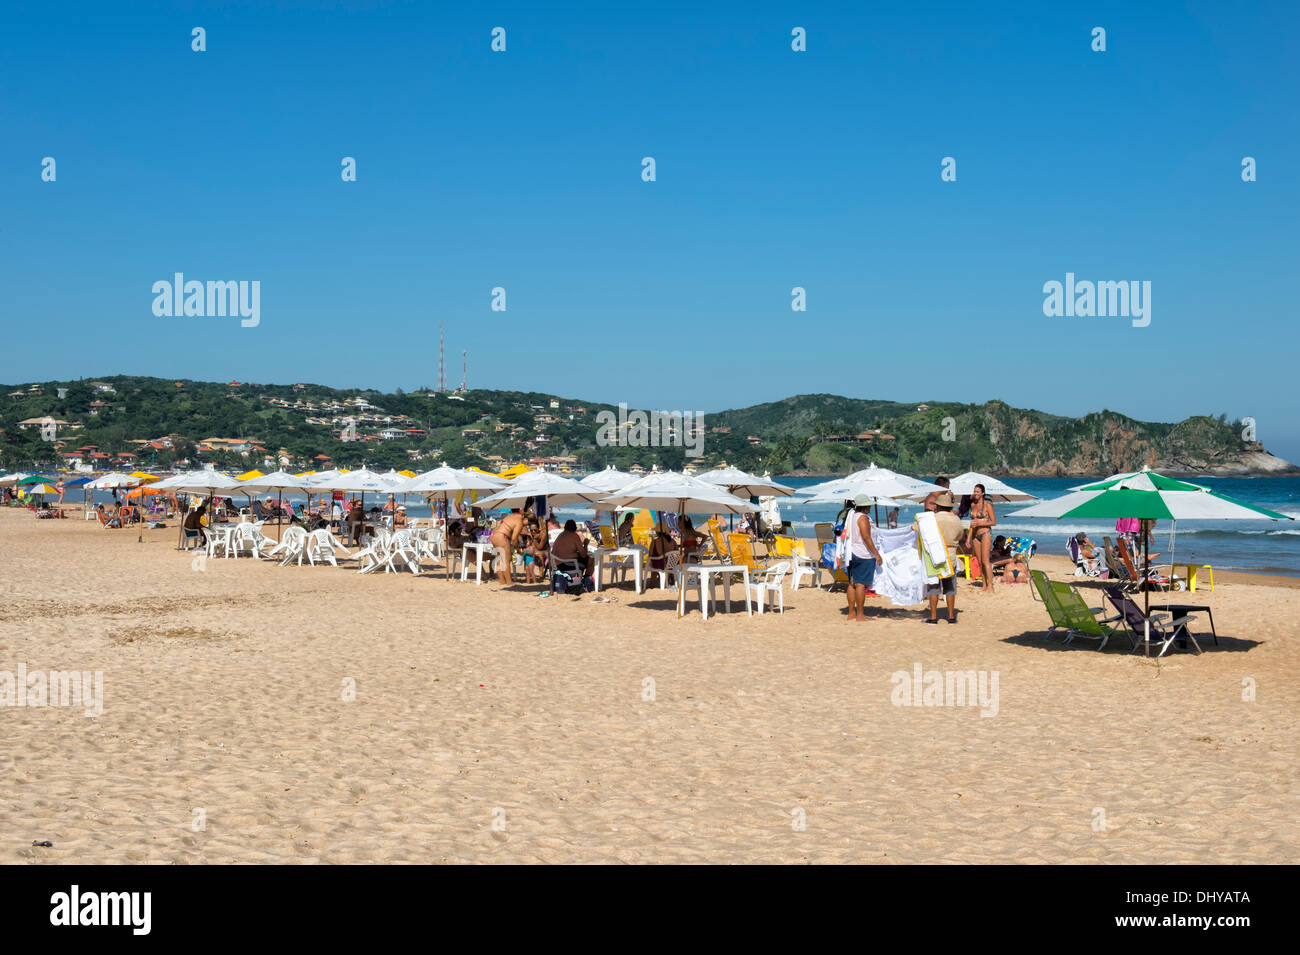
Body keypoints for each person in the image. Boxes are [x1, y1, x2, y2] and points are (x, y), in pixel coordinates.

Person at [921, 492, 962, 623]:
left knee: (933, 587)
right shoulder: (956, 519)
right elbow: (960, 535)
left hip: (934, 555)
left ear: (937, 506)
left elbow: (919, 530)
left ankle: (933, 617)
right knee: (950, 587)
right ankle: (950, 616)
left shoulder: (932, 519)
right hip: (951, 555)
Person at [845, 494, 884, 622]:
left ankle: (851, 613)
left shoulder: (851, 516)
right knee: (861, 584)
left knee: (852, 583)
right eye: (868, 506)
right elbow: (866, 537)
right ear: (864, 506)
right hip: (863, 554)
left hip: (851, 552)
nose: (870, 508)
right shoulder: (863, 518)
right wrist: (876, 554)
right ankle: (860, 615)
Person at [966, 483, 997, 592]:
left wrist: (981, 523)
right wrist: (968, 538)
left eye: (977, 491)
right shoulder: (972, 505)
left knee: (985, 561)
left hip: (985, 534)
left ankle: (990, 586)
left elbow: (994, 522)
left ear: (982, 493)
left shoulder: (987, 505)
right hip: (975, 535)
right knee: (979, 562)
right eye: (974, 491)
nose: (975, 493)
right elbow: (972, 524)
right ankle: (984, 584)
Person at [490, 509, 527, 585]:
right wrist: (517, 549)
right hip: (502, 536)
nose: (526, 525)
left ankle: (502, 581)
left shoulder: (510, 516)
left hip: (494, 534)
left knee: (499, 559)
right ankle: (509, 582)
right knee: (506, 560)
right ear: (525, 518)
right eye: (528, 523)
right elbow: (514, 539)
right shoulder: (519, 521)